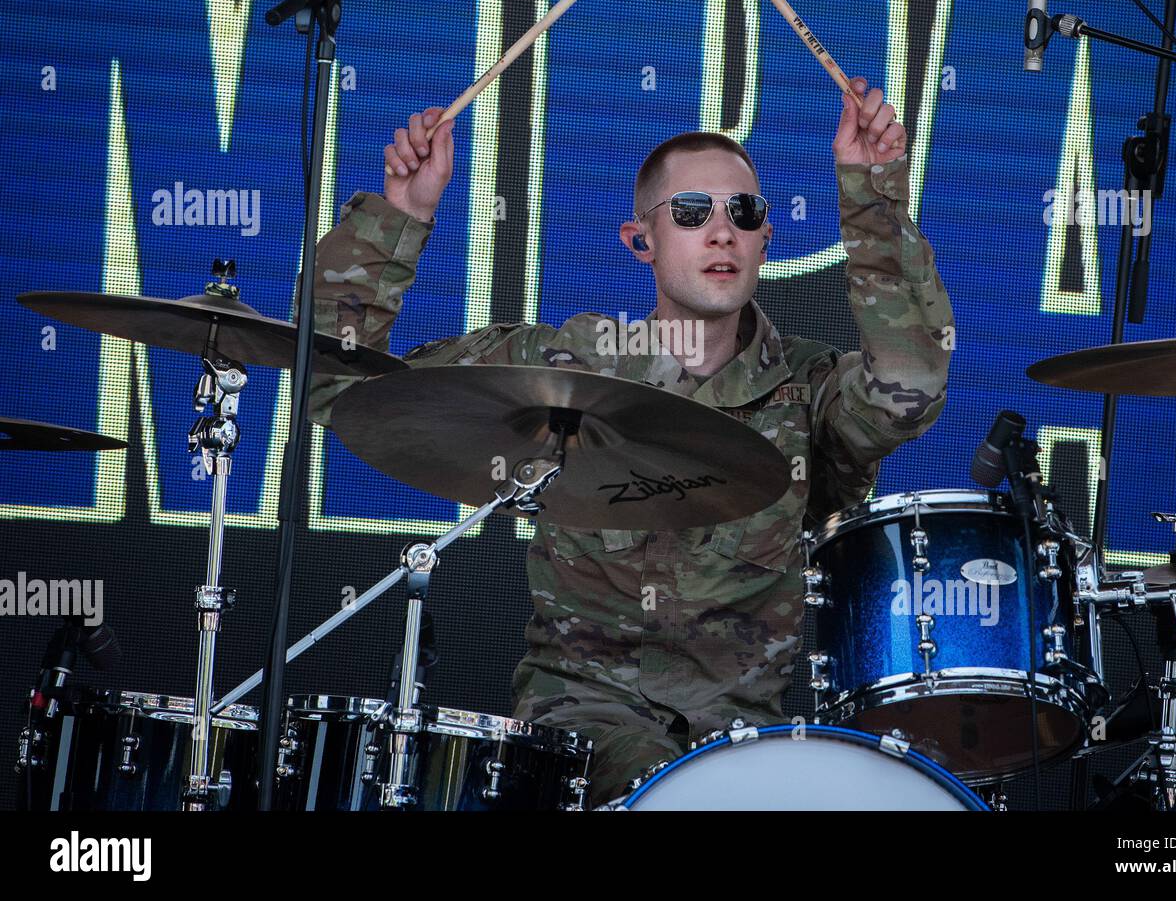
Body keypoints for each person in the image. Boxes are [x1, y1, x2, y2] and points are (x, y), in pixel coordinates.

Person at [309, 76, 953, 804]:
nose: (721, 231)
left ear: (765, 240)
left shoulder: (808, 392)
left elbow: (912, 385)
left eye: (743, 213)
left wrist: (871, 195)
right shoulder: (568, 370)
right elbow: (340, 381)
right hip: (582, 733)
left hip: (743, 748)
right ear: (640, 239)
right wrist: (405, 210)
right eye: (690, 211)